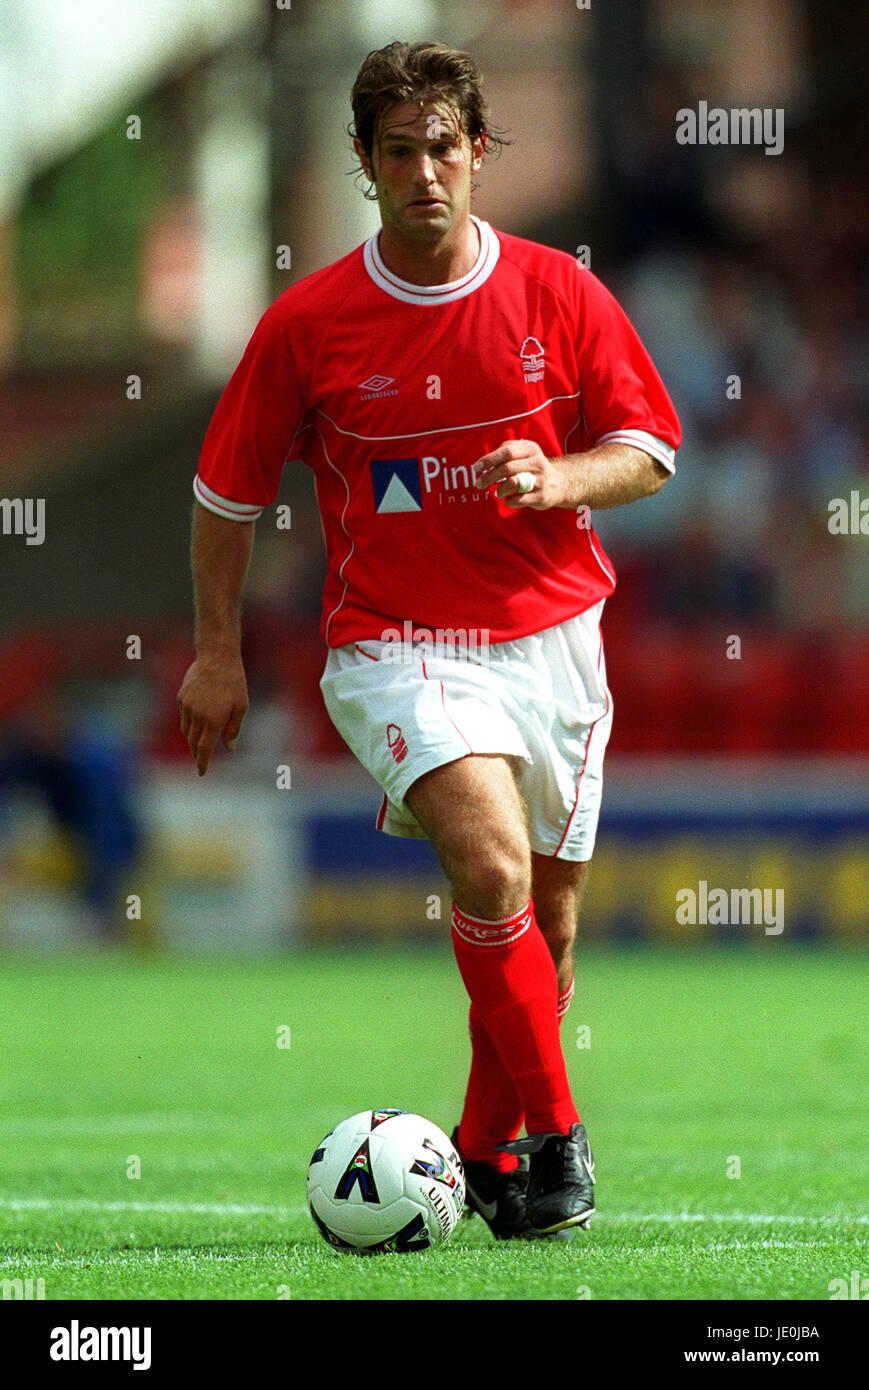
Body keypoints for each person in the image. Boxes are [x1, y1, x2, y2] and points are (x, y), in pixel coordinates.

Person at [177, 40, 680, 1238]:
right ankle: (560, 1144)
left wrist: (559, 478)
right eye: (395, 152)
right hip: (395, 641)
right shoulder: (309, 325)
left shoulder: (559, 294)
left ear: (478, 151)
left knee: (545, 936)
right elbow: (222, 495)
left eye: (441, 147)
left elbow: (649, 451)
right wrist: (213, 650)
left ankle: (475, 1156)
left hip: (554, 640)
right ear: (363, 163)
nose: (422, 173)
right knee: (494, 868)